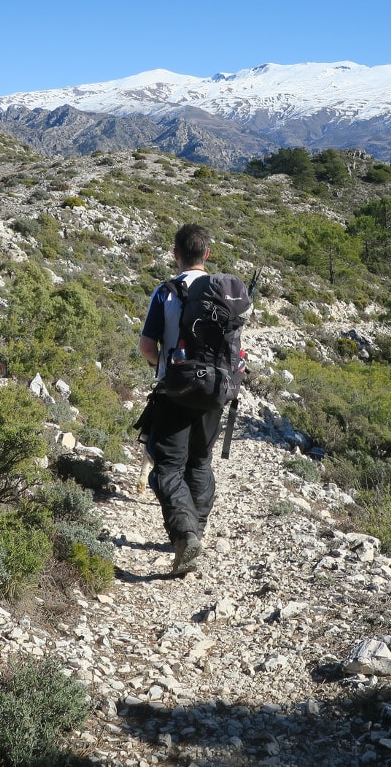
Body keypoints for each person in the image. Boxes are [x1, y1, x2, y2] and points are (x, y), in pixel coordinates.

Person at [138, 223, 223, 576]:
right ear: (207, 254)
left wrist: (163, 367)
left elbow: (147, 346)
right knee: (200, 462)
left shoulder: (165, 292)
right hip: (214, 392)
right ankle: (196, 530)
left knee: (168, 467)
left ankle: (185, 535)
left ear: (175, 255)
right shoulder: (224, 292)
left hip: (174, 391)